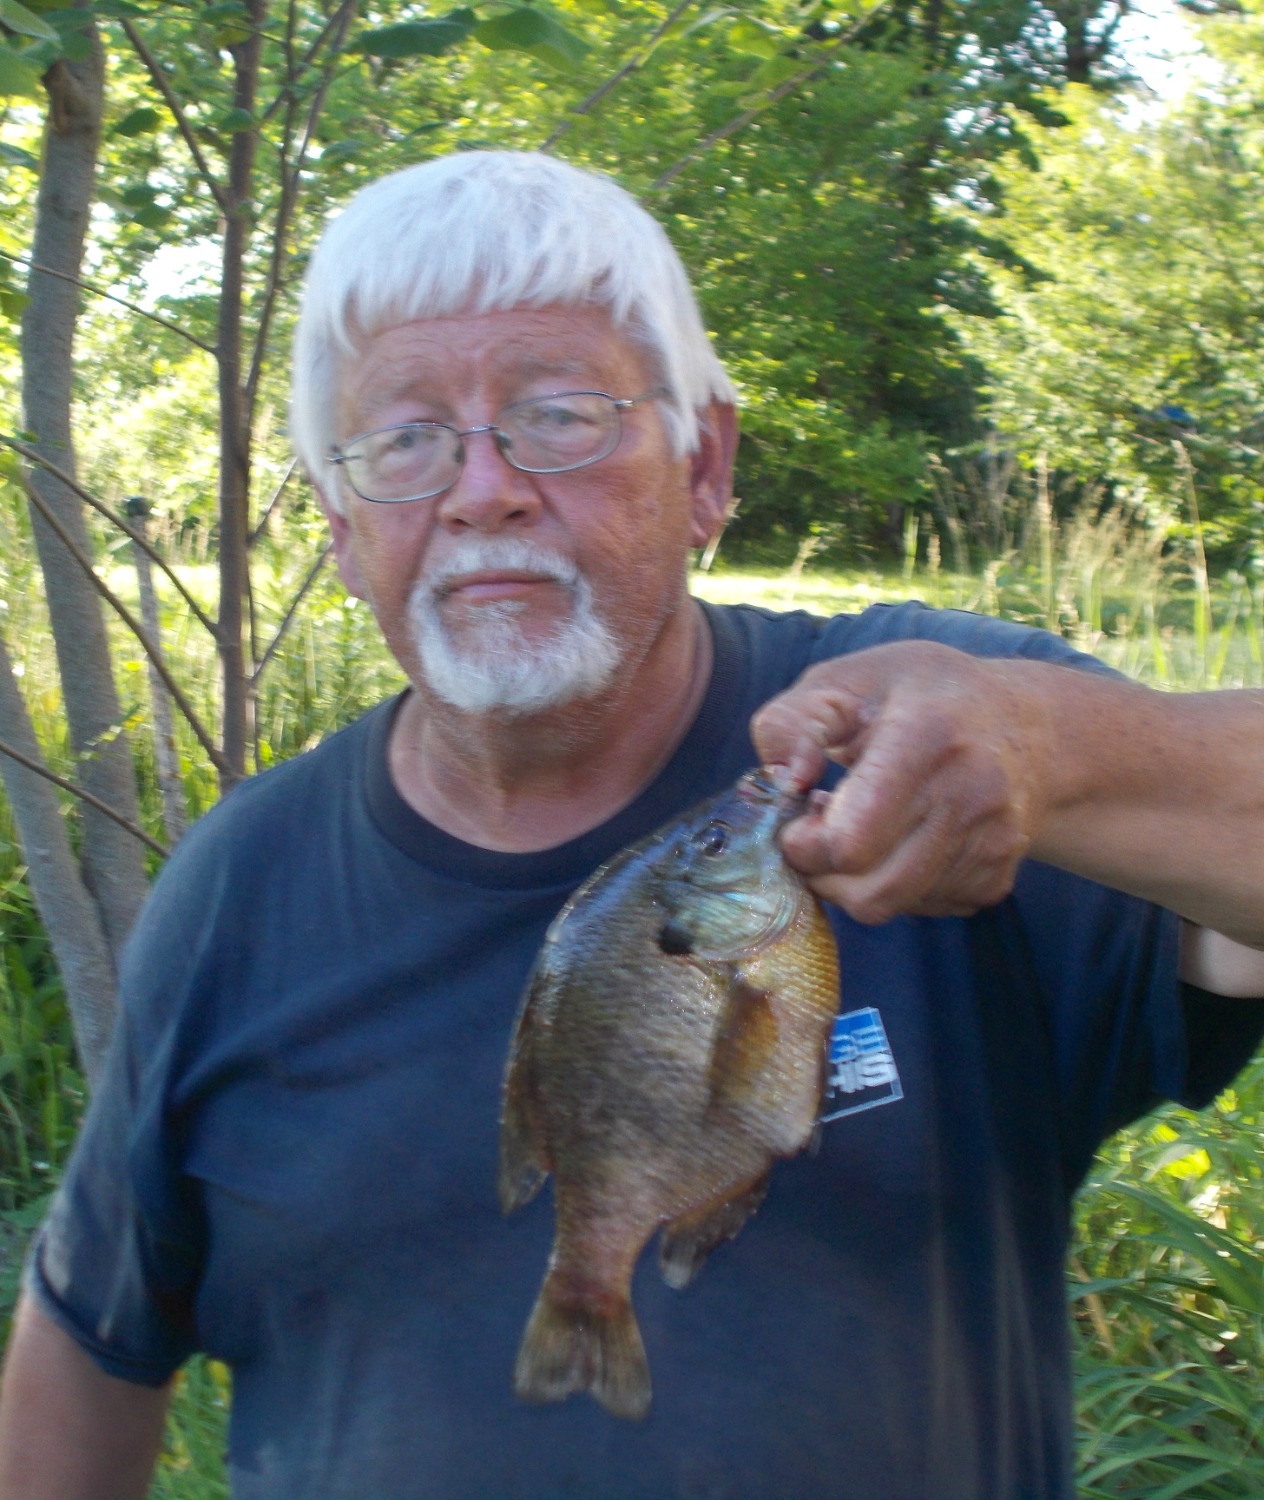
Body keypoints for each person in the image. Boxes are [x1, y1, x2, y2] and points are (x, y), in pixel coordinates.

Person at [1, 150, 1262, 1500]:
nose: (484, 489)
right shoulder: (238, 887)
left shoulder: (926, 731)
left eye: (560, 415)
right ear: (344, 522)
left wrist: (1057, 747)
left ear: (704, 462)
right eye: (409, 439)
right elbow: (89, 1338)